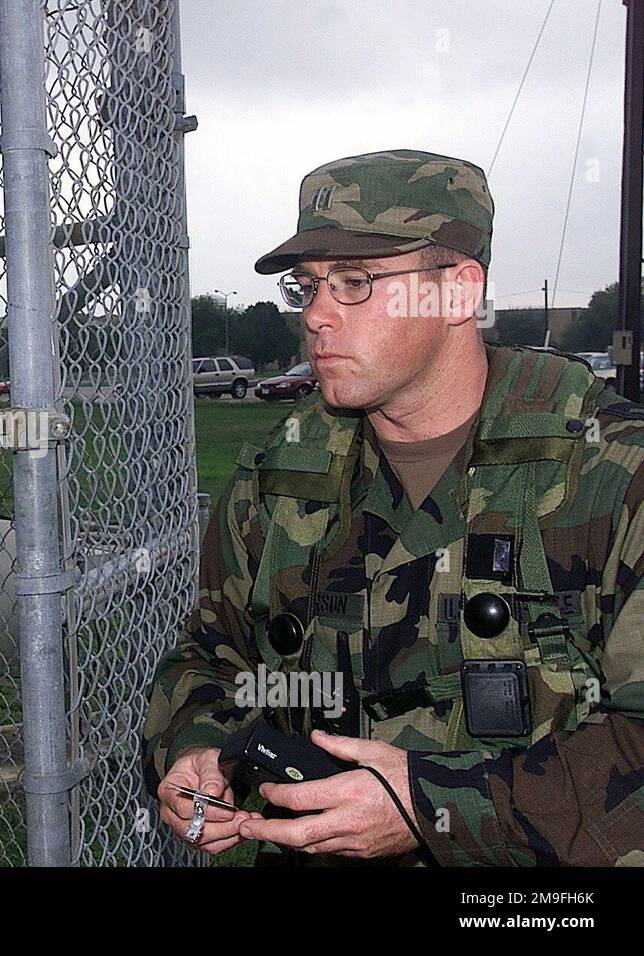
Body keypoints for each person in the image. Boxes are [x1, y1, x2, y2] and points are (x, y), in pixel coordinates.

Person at [144, 148, 644, 865]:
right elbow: (213, 659)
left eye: (355, 283)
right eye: (307, 286)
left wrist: (440, 807)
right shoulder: (279, 476)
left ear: (457, 293)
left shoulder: (610, 475)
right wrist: (198, 752)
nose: (315, 316)